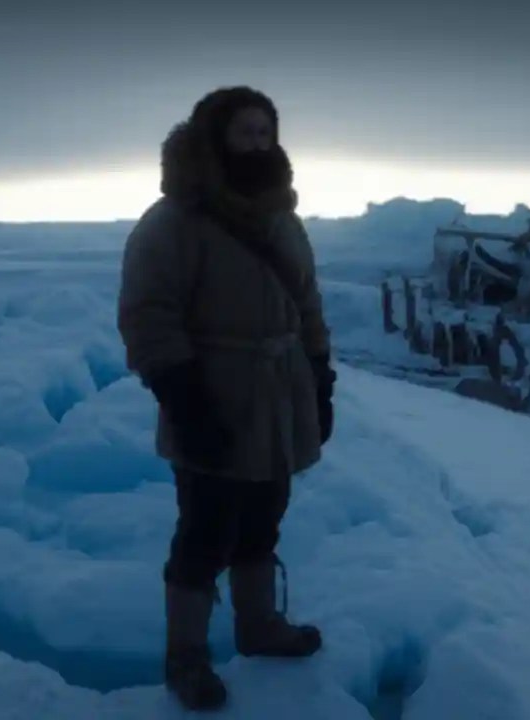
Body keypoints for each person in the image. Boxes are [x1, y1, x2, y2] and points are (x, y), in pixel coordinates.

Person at [116, 86, 336, 711]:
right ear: (215, 138)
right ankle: (185, 657)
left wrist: (320, 381)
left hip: (280, 394)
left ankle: (259, 626)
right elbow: (148, 318)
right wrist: (186, 403)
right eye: (246, 131)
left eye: (267, 131)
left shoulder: (281, 217)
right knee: (205, 529)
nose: (259, 143)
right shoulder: (173, 222)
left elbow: (308, 303)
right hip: (214, 391)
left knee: (264, 517)